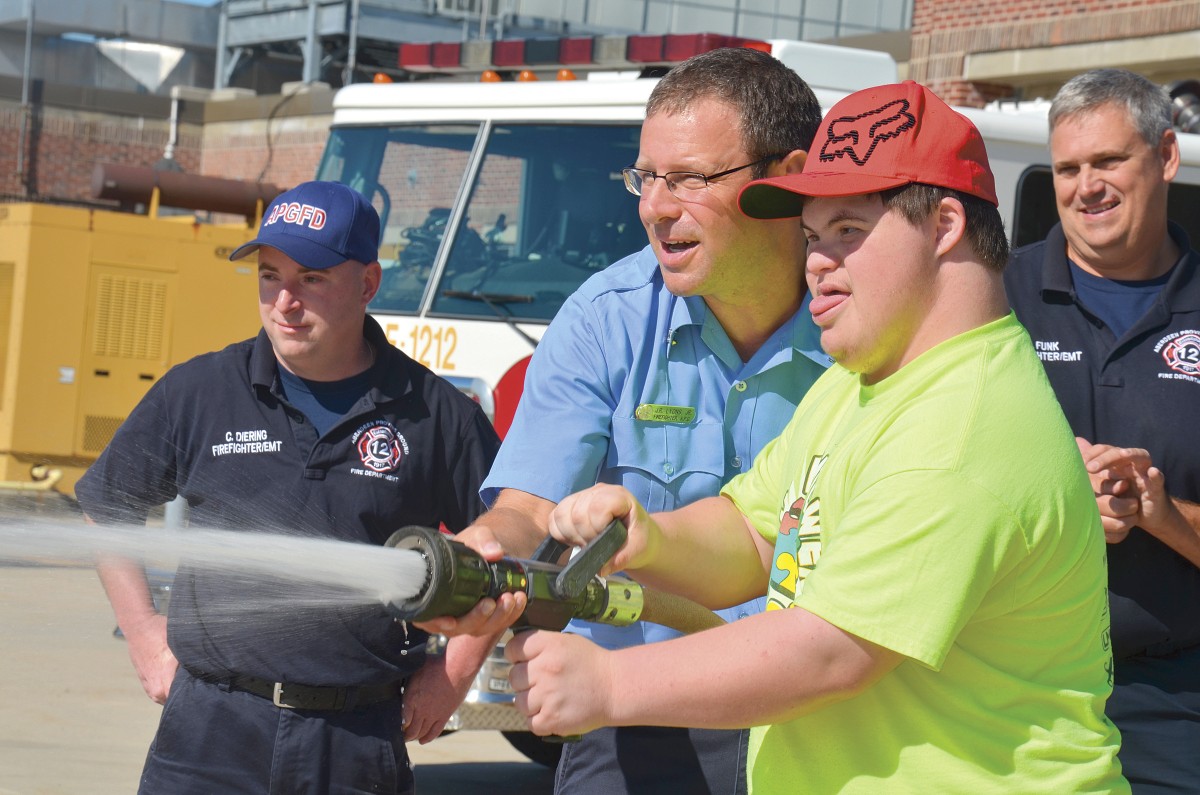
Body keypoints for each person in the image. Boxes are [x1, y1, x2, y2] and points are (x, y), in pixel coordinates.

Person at [495, 81, 1130, 793]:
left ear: (945, 225)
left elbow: (829, 652)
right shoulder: (865, 382)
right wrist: (650, 538)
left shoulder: (962, 425)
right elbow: (759, 536)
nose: (818, 263)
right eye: (811, 237)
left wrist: (609, 682)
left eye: (848, 231)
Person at [414, 47, 831, 794]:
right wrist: (483, 550)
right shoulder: (604, 318)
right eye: (646, 177)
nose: (655, 207)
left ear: (787, 180)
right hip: (638, 714)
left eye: (690, 178)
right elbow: (528, 509)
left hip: (819, 717)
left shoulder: (862, 327)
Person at [75, 180, 500, 794]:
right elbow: (105, 504)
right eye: (269, 276)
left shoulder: (437, 416)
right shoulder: (199, 392)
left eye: (312, 279)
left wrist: (453, 674)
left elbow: (502, 552)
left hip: (356, 740)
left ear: (368, 284)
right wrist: (143, 634)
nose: (284, 302)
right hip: (208, 733)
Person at [1005, 68, 1200, 793]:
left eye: (1109, 161)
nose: (1086, 186)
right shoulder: (993, 297)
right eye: (1067, 168)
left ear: (1167, 156)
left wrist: (1160, 511)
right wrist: (1055, 498)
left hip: (1173, 701)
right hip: (1008, 685)